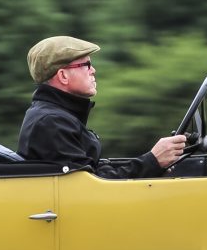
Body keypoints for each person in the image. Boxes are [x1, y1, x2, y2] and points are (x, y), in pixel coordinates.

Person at [17, 36, 185, 178]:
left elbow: (92, 173)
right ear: (63, 75)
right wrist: (153, 161)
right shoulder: (51, 123)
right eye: (86, 65)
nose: (93, 70)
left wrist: (153, 163)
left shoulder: (56, 117)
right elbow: (89, 187)